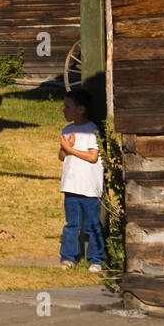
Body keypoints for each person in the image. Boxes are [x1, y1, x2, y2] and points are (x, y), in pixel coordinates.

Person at [58, 88, 105, 272]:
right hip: (71, 185)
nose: (64, 110)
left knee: (92, 224)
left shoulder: (92, 130)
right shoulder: (67, 129)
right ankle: (69, 257)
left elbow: (93, 157)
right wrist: (65, 148)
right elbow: (62, 156)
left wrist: (70, 150)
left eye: (68, 106)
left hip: (89, 187)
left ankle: (95, 259)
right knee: (72, 224)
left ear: (80, 109)